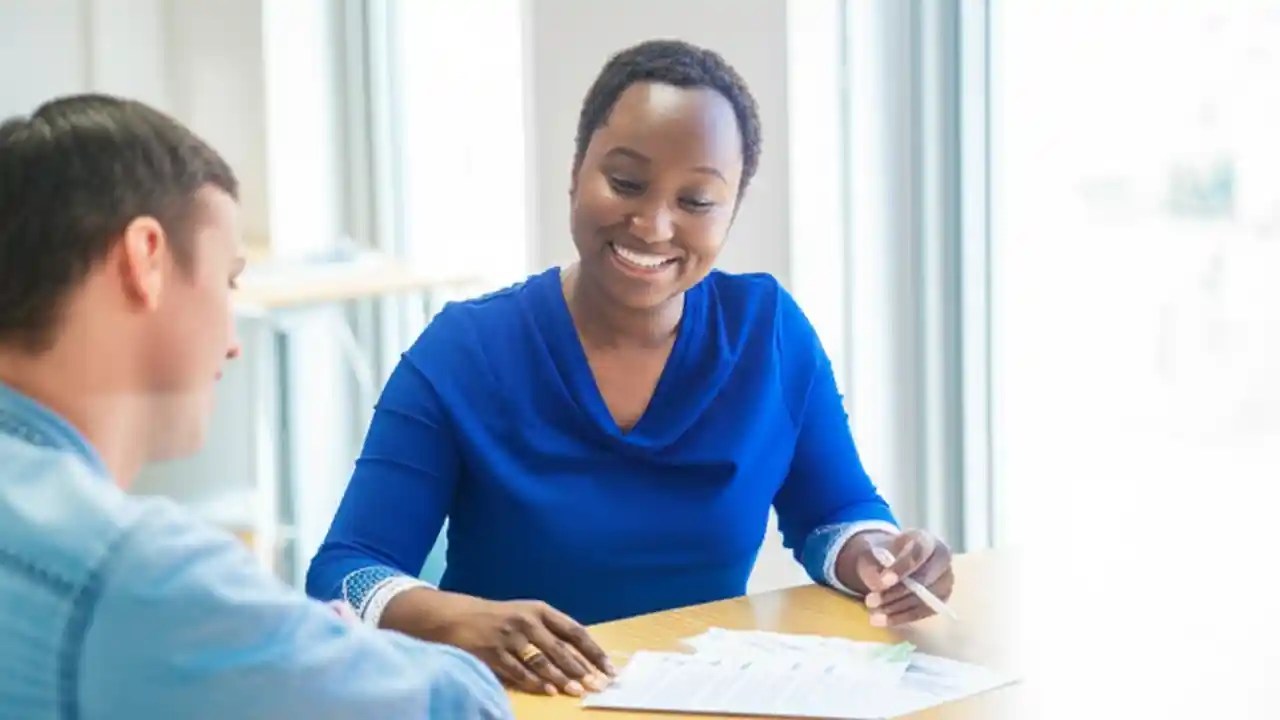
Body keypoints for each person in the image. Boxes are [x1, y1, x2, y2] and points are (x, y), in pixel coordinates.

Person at [307, 39, 955, 697]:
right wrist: (456, 620)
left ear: (731, 209)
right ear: (575, 174)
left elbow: (834, 515)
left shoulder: (769, 333)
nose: (652, 225)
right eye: (625, 182)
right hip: (517, 704)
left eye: (697, 200)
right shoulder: (466, 349)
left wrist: (881, 559)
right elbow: (345, 570)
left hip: (699, 702)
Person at [0, 94, 512, 719]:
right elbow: (456, 708)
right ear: (145, 260)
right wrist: (333, 648)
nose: (233, 341)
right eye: (228, 281)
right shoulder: (132, 574)